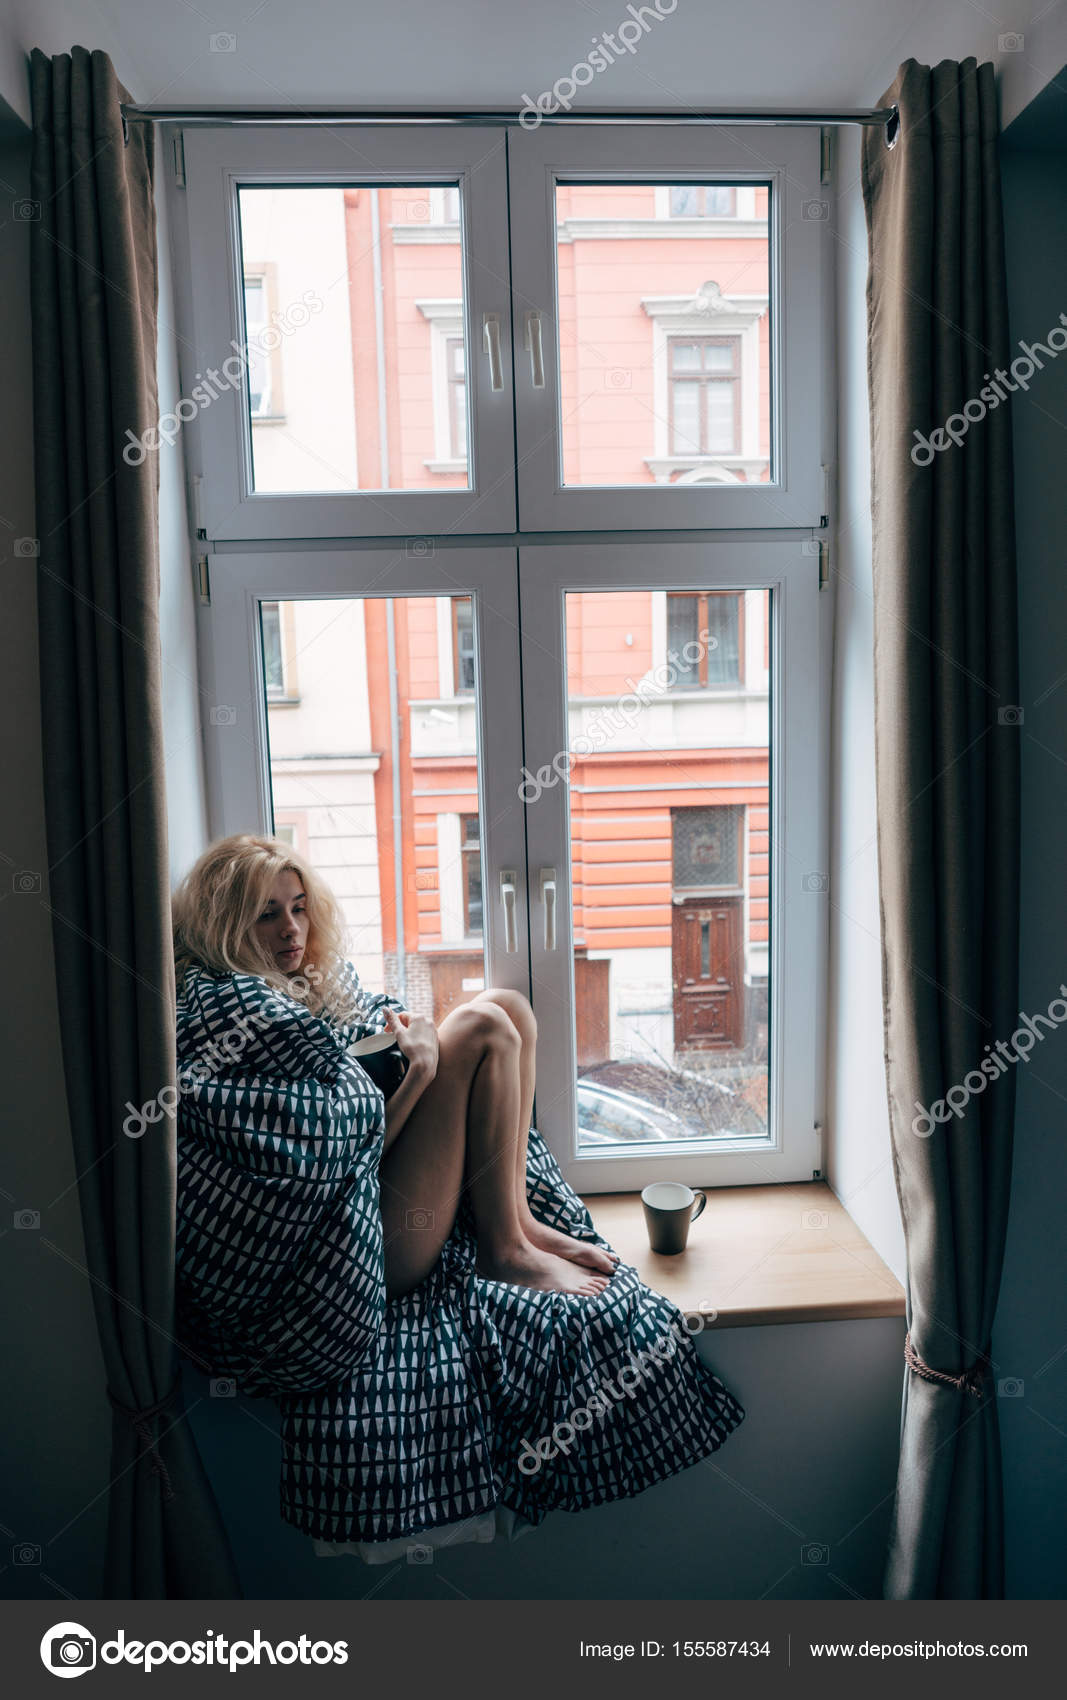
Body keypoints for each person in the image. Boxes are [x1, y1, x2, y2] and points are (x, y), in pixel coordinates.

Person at [172, 832, 617, 1301]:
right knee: (482, 1025)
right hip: (369, 1242)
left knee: (509, 1006)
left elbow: (363, 1021)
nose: (291, 928)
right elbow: (336, 1168)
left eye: (298, 907)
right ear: (225, 926)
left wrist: (405, 1029)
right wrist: (420, 1074)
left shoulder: (303, 978)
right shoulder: (240, 1017)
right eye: (268, 914)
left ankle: (519, 1222)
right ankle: (504, 1252)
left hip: (394, 1192)